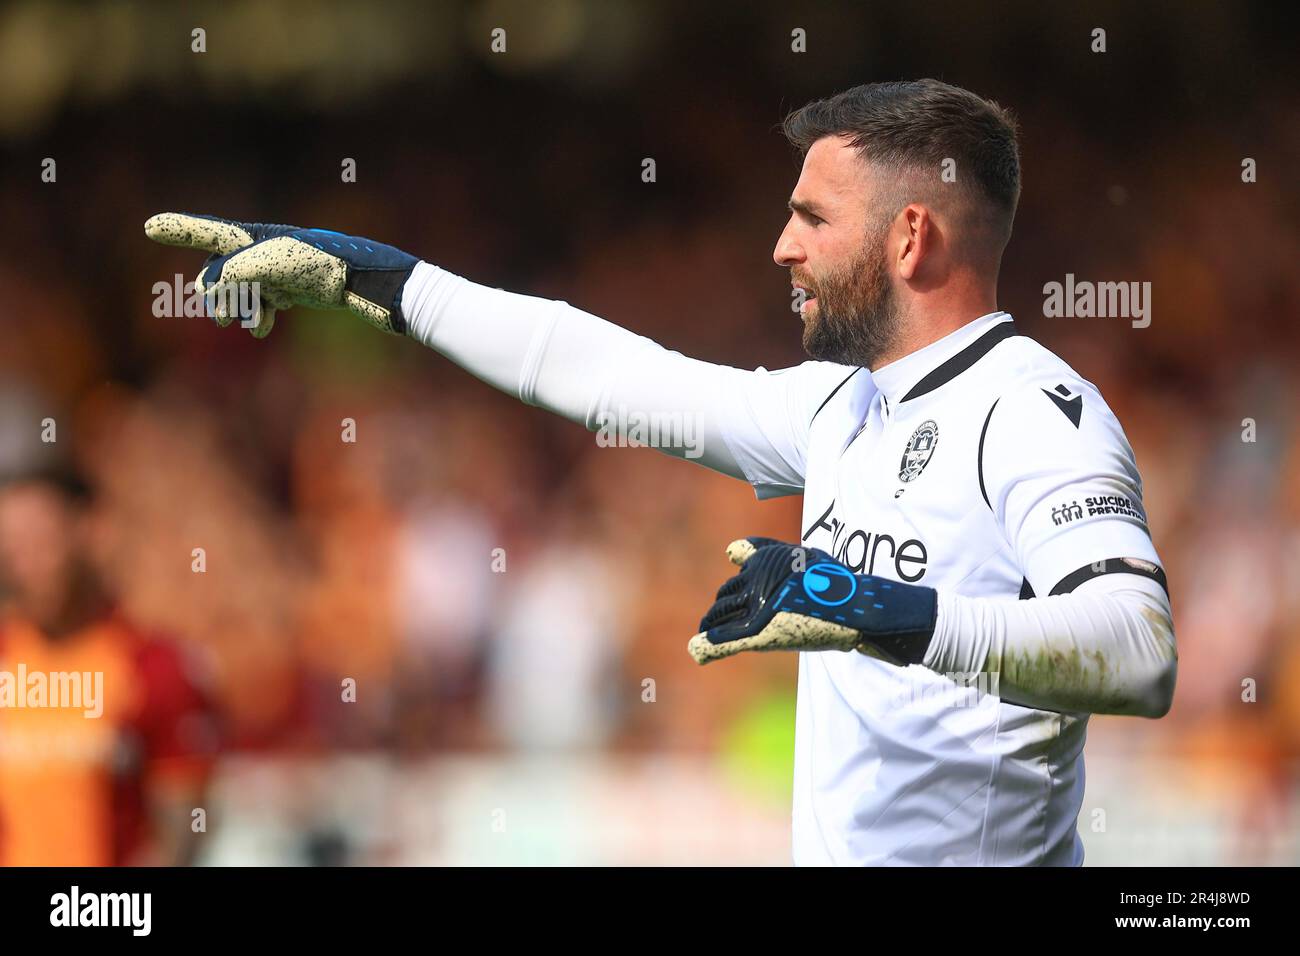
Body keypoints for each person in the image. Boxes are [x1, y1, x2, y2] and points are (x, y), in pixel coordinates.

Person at [145, 78, 1176, 866]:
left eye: (813, 217)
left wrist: (871, 605)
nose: (782, 246)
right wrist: (373, 275)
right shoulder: (842, 407)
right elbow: (609, 374)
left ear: (910, 235)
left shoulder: (1035, 411)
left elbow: (1138, 650)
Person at [0, 470, 220, 865]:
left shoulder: (153, 667)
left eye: (41, 543)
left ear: (91, 533)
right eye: (11, 549)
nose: (25, 566)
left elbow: (184, 828)